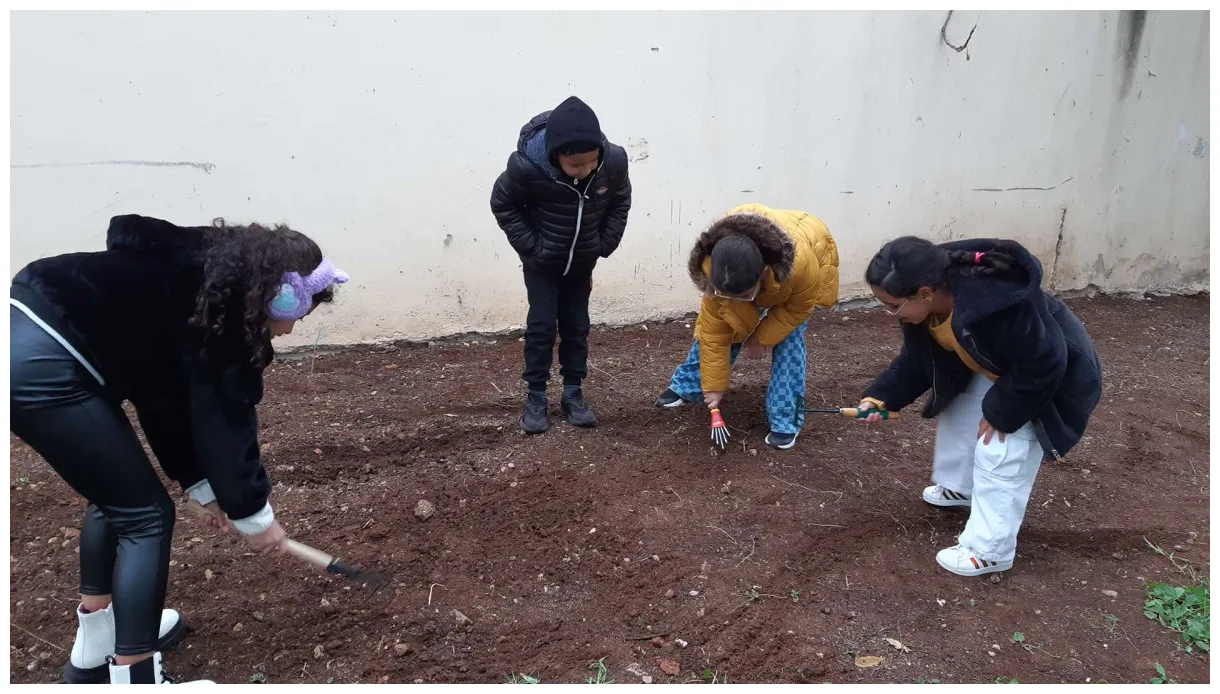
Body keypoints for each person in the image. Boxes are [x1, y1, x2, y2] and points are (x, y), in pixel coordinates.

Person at [9, 214, 349, 684]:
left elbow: (162, 405)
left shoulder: (187, 288)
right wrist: (254, 516)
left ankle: (96, 649)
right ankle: (137, 678)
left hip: (25, 337)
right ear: (280, 296)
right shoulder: (223, 327)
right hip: (46, 365)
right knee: (145, 519)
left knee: (114, 498)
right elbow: (225, 429)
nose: (290, 330)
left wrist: (202, 487)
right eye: (297, 315)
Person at [856, 237, 1101, 576]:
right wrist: (881, 397)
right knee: (959, 406)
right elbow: (916, 362)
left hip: (1054, 376)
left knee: (1001, 446)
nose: (889, 313)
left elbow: (1045, 360)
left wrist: (1003, 413)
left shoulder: (996, 302)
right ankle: (961, 487)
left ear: (924, 293)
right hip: (1004, 367)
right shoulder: (925, 310)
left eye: (891, 305)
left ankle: (990, 550)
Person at [490, 95, 631, 434]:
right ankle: (536, 396)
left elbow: (620, 200)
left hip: (581, 265)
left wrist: (604, 243)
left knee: (576, 326)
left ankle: (573, 393)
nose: (586, 170)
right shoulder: (528, 168)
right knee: (541, 327)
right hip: (542, 266)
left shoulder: (613, 163)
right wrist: (533, 248)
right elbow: (503, 203)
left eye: (592, 161)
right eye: (576, 165)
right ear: (556, 157)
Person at [655, 204, 839, 450]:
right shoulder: (715, 272)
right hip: (748, 270)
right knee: (727, 322)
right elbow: (714, 335)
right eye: (727, 294)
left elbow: (796, 310)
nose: (736, 300)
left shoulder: (800, 266)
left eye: (743, 295)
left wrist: (761, 339)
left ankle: (786, 420)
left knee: (789, 342)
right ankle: (690, 385)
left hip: (809, 256)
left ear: (763, 274)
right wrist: (713, 387)